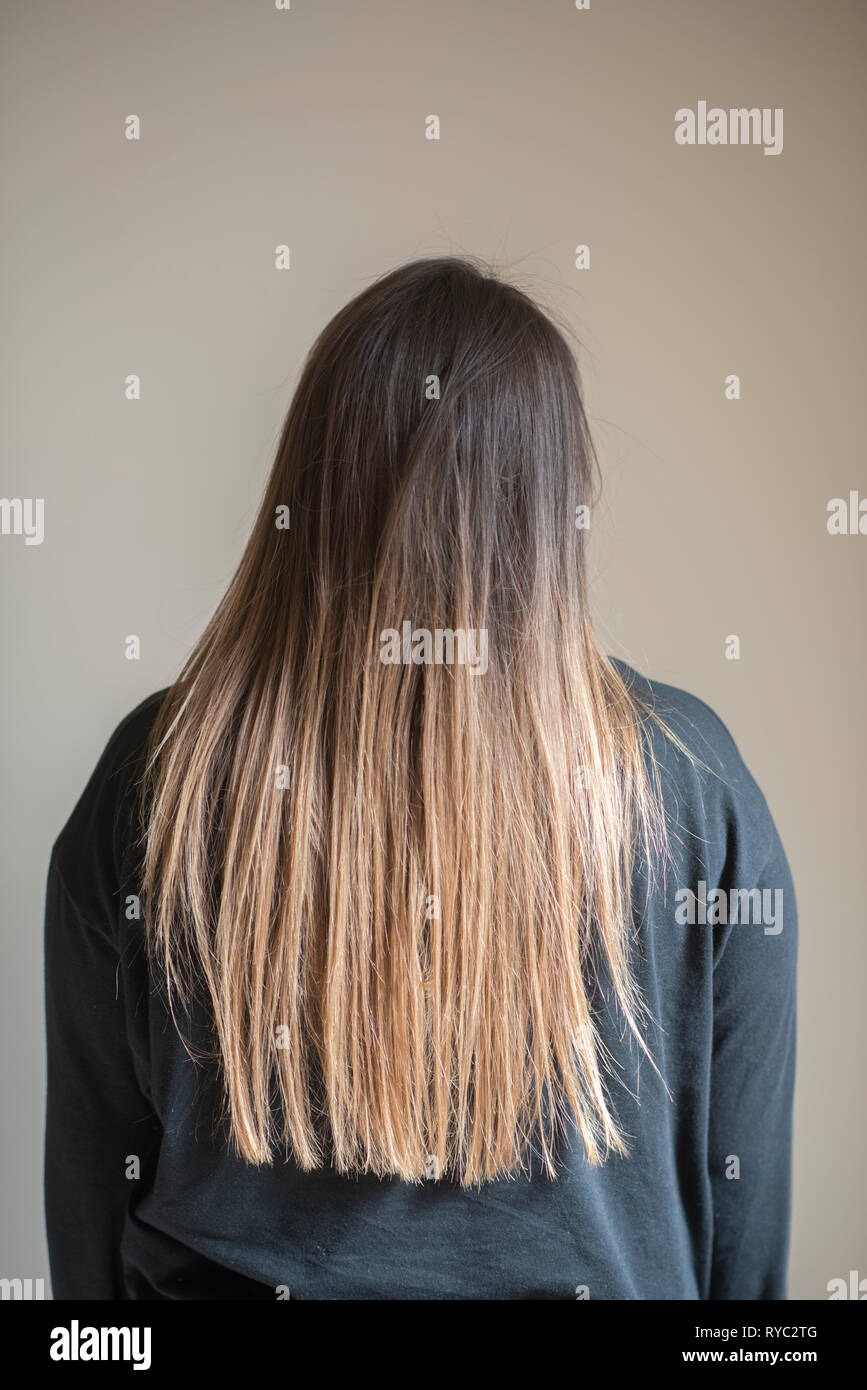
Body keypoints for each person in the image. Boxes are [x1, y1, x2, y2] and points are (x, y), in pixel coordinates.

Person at [44, 256, 797, 1300]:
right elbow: (743, 1237)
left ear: (306, 485)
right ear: (554, 504)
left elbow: (88, 1231)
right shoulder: (689, 781)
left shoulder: (156, 779)